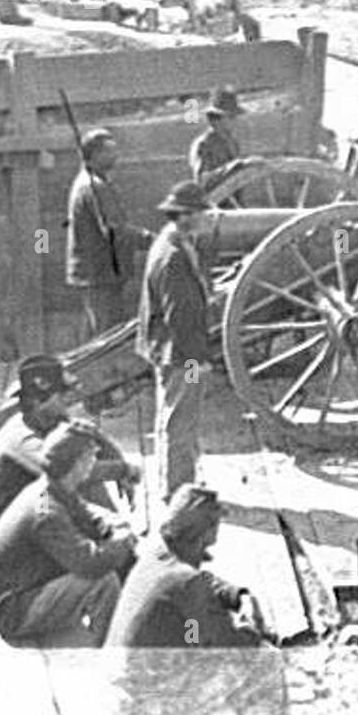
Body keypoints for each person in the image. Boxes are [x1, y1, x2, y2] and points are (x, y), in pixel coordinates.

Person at [0, 354, 141, 560]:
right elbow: (68, 473)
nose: (67, 402)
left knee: (80, 469)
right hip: (1, 539)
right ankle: (116, 553)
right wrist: (124, 470)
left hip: (28, 517)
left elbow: (86, 432)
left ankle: (117, 548)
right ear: (36, 401)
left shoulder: (45, 419)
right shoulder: (21, 439)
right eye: (60, 397)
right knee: (80, 481)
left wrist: (114, 455)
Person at [0, 422, 138, 648]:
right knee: (102, 582)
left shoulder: (52, 489)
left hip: (31, 584)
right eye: (90, 457)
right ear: (76, 465)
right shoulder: (45, 511)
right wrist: (122, 543)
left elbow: (87, 514)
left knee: (112, 555)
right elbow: (89, 564)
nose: (93, 463)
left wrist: (112, 528)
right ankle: (112, 652)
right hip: (15, 611)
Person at [106, 485, 265, 649]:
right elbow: (232, 647)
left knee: (193, 633)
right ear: (209, 532)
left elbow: (201, 584)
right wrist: (250, 625)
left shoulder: (155, 554)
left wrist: (235, 594)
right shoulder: (187, 581)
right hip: (147, 672)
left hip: (123, 667)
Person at [137, 181, 215, 507]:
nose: (207, 217)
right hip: (182, 356)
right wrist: (199, 361)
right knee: (182, 420)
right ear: (184, 216)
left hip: (174, 352)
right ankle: (179, 493)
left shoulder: (174, 243)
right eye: (201, 212)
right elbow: (179, 317)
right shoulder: (172, 257)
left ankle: (178, 484)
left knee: (174, 416)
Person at [65, 128, 153, 339]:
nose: (116, 156)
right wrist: (152, 240)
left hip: (95, 274)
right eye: (109, 151)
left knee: (98, 335)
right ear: (94, 155)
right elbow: (115, 231)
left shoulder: (88, 182)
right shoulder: (95, 187)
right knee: (108, 338)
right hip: (100, 275)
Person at [189, 86, 246, 191]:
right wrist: (234, 167)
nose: (235, 121)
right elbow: (202, 180)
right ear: (215, 120)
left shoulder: (232, 142)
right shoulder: (204, 144)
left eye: (235, 116)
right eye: (231, 117)